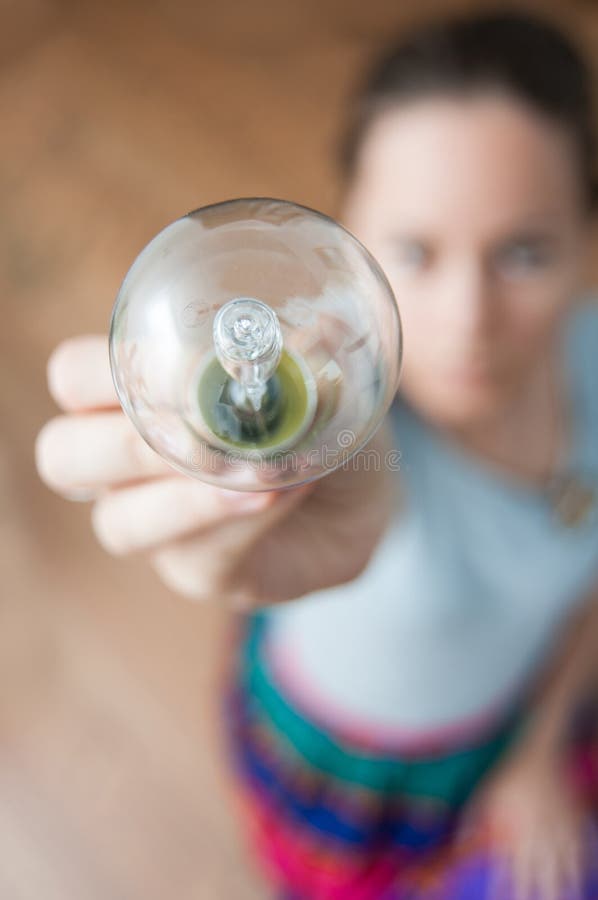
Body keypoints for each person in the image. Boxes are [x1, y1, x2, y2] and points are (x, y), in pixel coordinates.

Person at [35, 8, 598, 899]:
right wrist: (259, 490)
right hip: (351, 777)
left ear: (585, 244)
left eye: (524, 252)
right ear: (348, 241)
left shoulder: (592, 360)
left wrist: (536, 751)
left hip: (517, 727)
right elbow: (340, 496)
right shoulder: (344, 440)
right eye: (413, 250)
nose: (466, 321)